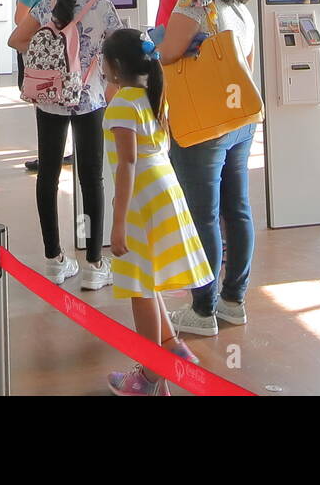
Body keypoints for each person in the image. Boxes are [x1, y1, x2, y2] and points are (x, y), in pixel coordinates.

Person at [156, 0, 258, 337]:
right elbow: (243, 65)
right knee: (238, 210)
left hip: (204, 123)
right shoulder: (240, 6)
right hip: (241, 120)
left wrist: (158, 40)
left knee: (203, 215)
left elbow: (168, 52)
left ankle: (202, 309)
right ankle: (234, 300)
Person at [101, 28, 210, 395]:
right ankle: (169, 350)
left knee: (138, 288)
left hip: (141, 202)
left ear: (113, 66)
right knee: (146, 281)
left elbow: (126, 164)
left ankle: (147, 375)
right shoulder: (152, 97)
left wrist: (117, 225)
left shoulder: (121, 105)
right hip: (165, 191)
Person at [9, 0, 120, 289]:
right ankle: (93, 265)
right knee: (91, 180)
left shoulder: (49, 4)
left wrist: (48, 57)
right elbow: (116, 58)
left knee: (48, 176)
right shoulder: (103, 8)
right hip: (90, 100)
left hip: (50, 99)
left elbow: (16, 39)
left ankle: (54, 259)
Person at [14, 0, 62, 172]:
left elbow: (20, 19)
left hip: (36, 51)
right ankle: (66, 150)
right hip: (62, 48)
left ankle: (48, 155)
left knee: (42, 104)